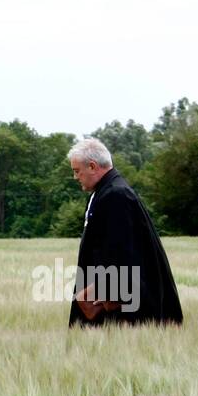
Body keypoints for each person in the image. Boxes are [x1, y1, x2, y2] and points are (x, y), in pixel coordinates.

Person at [67, 137, 183, 328]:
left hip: (122, 314)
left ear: (93, 167)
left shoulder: (116, 195)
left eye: (77, 171)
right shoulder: (105, 192)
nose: (75, 177)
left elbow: (123, 254)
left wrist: (96, 297)